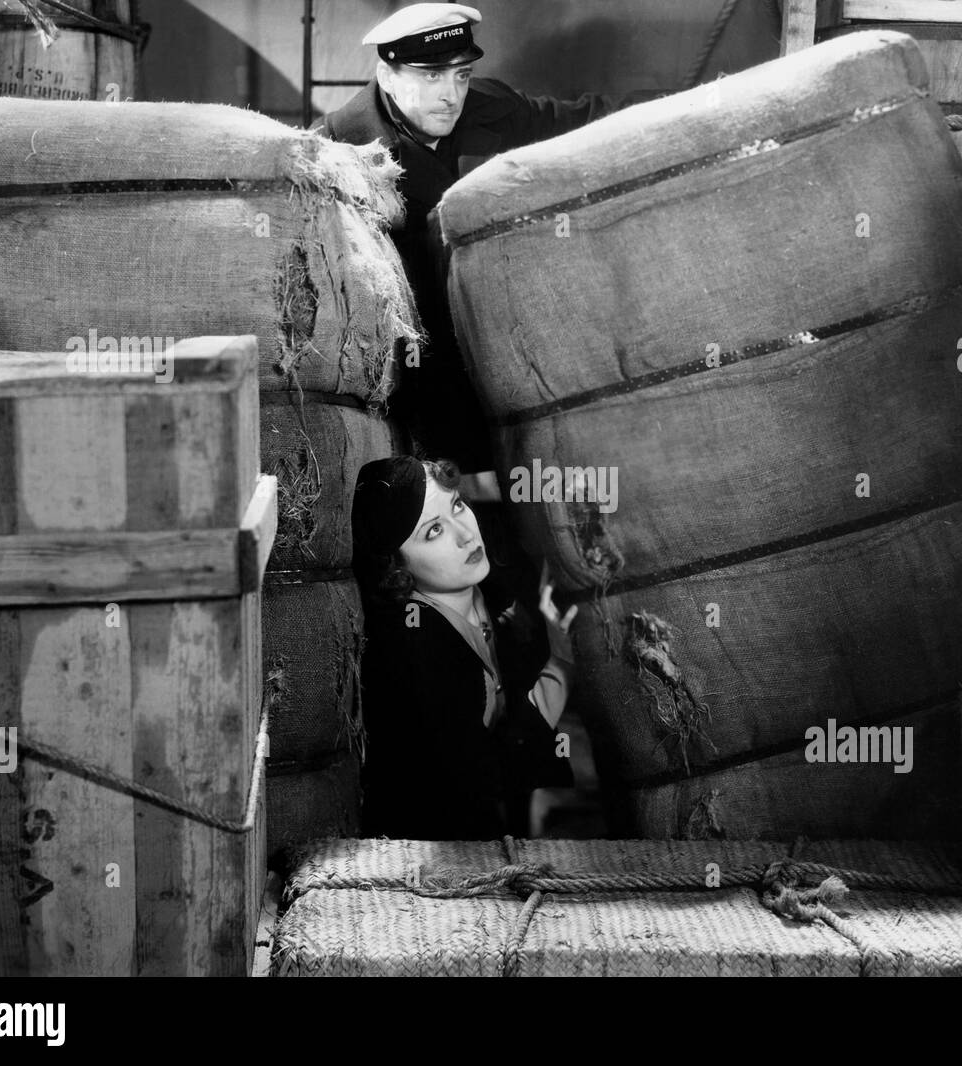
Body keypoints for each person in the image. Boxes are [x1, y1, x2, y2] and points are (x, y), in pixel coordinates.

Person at [314, 2, 650, 474]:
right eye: (431, 76)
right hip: (416, 370)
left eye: (461, 75)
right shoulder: (337, 146)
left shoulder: (492, 108)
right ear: (387, 75)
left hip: (508, 338)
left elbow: (588, 119)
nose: (451, 95)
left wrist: (695, 107)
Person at [351, 454, 578, 840]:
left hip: (502, 834)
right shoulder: (413, 640)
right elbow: (483, 775)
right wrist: (560, 664)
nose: (467, 535)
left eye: (458, 506)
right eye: (434, 531)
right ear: (397, 566)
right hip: (438, 847)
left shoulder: (491, 591)